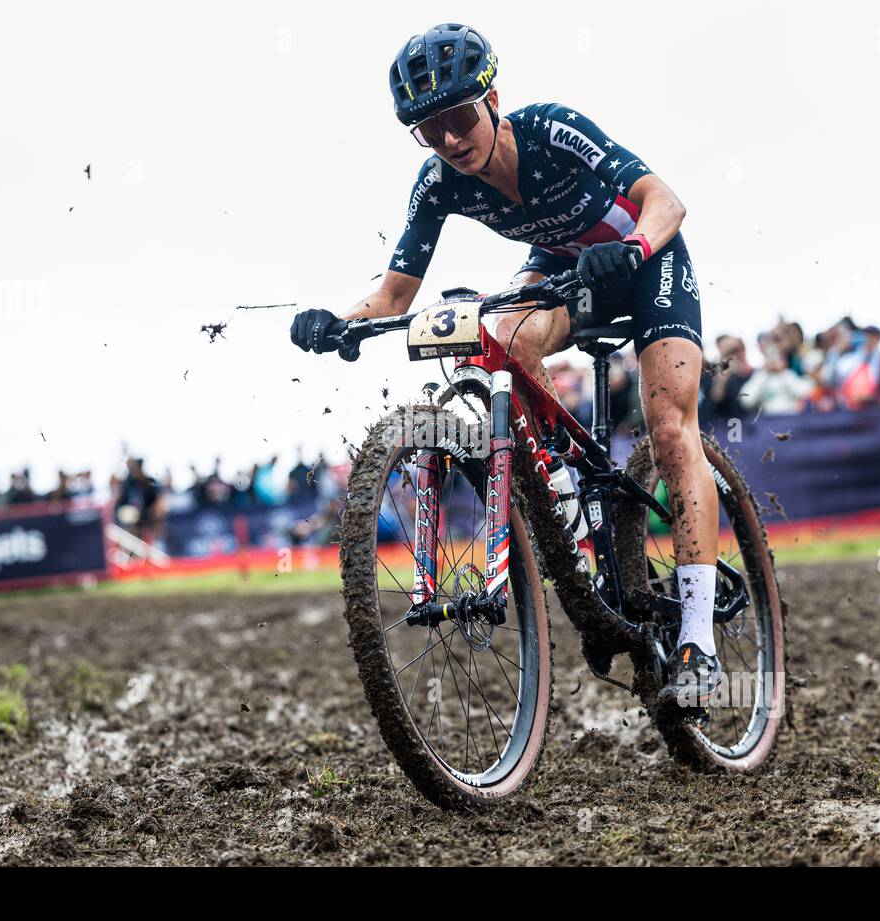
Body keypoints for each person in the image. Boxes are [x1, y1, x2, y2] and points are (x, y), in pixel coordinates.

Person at [289, 24, 721, 702]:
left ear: (493, 99)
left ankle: (700, 643)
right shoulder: (439, 184)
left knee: (669, 428)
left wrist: (634, 247)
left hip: (645, 261)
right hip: (562, 268)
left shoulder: (553, 130)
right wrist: (336, 323)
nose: (450, 141)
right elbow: (393, 295)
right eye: (430, 132)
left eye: (459, 118)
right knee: (505, 330)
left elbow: (666, 200)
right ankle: (565, 492)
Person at [700, 335, 753, 422]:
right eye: (728, 352)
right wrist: (722, 377)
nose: (734, 356)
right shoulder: (712, 374)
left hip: (747, 422)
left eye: (735, 350)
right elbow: (715, 400)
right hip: (723, 424)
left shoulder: (753, 373)